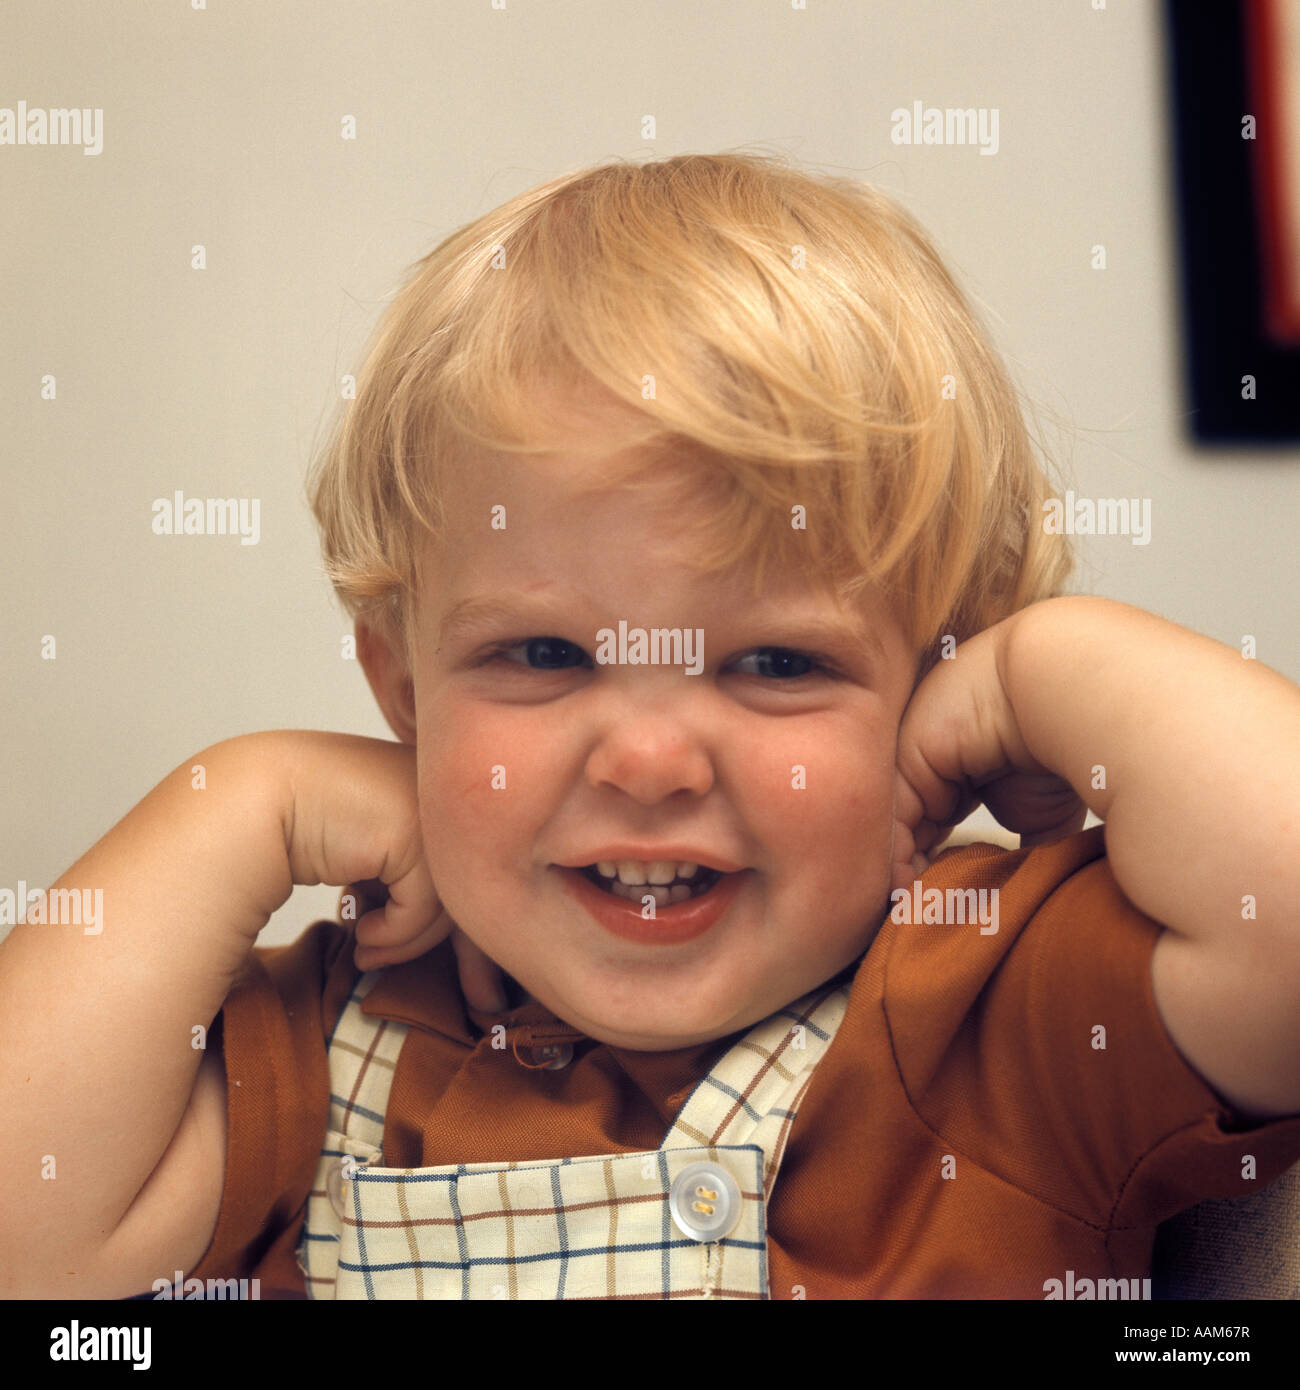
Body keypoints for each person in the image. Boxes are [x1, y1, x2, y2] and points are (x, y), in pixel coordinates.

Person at [4, 152, 1298, 1300]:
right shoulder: (343, 1033)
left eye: (778, 662)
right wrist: (250, 795)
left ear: (932, 689)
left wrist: (1045, 670)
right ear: (404, 690)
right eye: (545, 655)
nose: (647, 759)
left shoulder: (991, 1005)